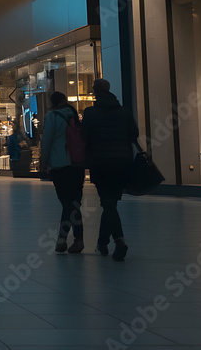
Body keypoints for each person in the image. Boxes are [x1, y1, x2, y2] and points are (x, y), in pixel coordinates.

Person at [82, 79, 138, 262]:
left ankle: (120, 241)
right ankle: (102, 241)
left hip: (100, 163)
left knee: (108, 204)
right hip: (122, 163)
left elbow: (85, 136)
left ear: (94, 92)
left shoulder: (90, 113)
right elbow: (134, 134)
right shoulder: (123, 112)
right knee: (110, 203)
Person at [40, 92, 85, 254]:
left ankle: (62, 238)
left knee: (67, 203)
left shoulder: (53, 116)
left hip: (60, 165)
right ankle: (78, 239)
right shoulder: (74, 115)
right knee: (74, 204)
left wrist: (43, 162)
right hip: (78, 164)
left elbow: (47, 140)